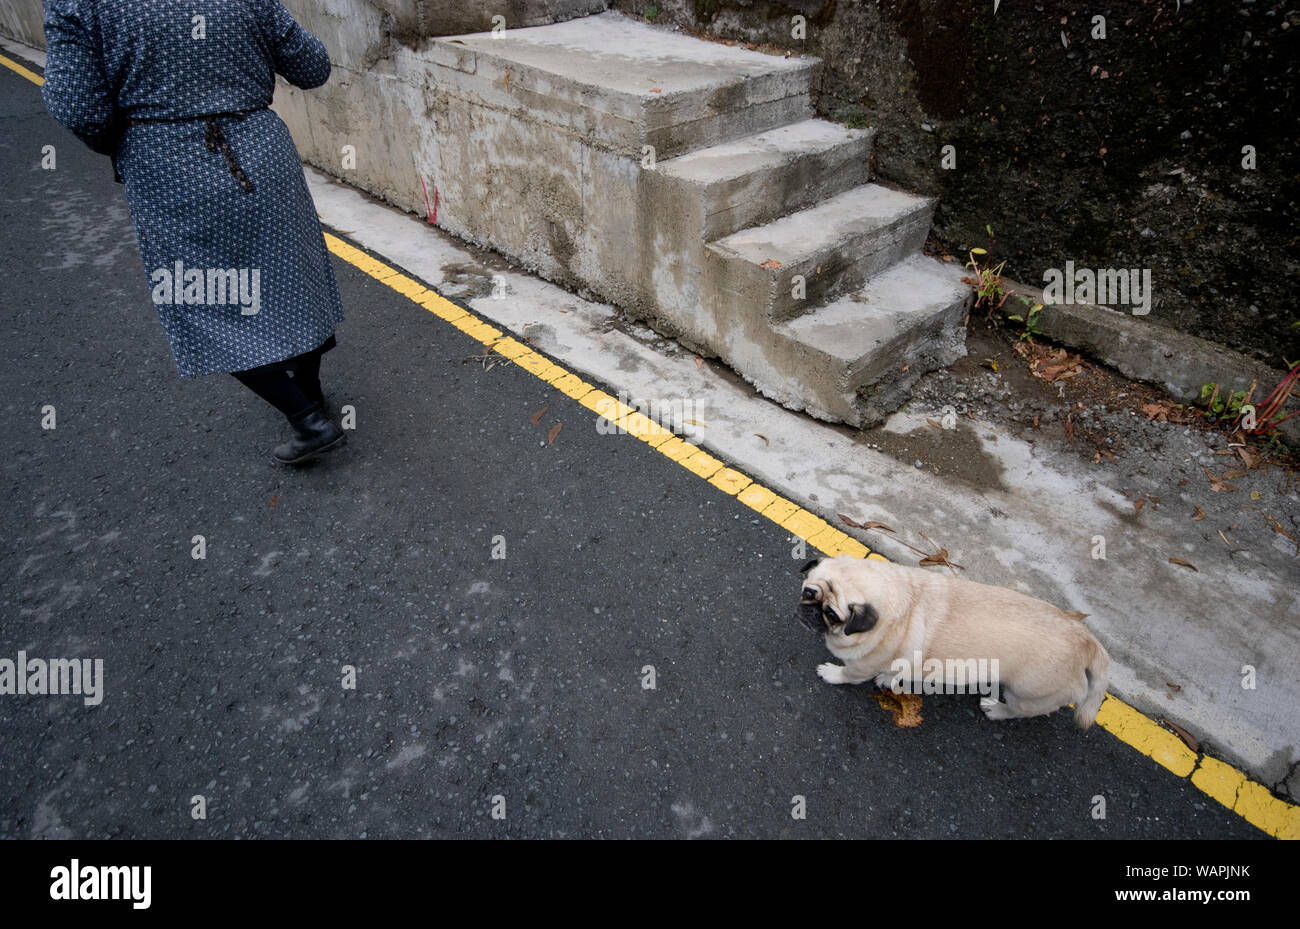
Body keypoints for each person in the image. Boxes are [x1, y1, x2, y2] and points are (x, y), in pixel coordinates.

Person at [42, 0, 347, 465]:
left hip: (167, 162)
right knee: (291, 282)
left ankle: (306, 418)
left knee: (202, 297)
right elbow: (311, 66)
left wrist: (128, 141)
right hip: (263, 151)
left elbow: (81, 108)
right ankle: (309, 395)